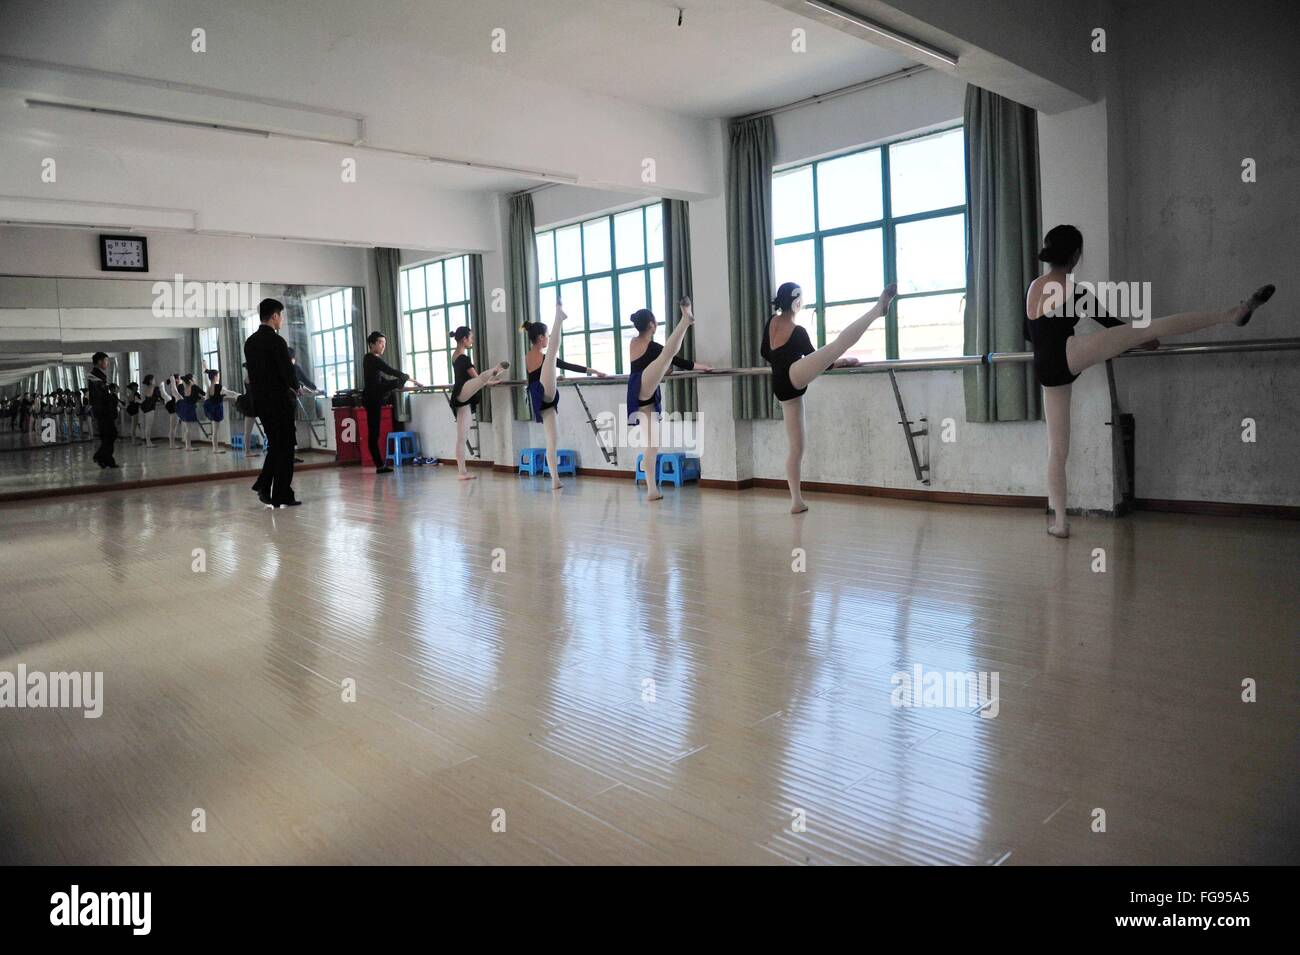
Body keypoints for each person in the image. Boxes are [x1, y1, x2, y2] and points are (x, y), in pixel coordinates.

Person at [1026, 224, 1275, 538]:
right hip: (1069, 354)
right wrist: (1143, 339)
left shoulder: (1033, 287)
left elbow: (1029, 333)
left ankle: (1060, 523)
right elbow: (1112, 325)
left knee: (1056, 449)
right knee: (1148, 327)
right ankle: (1231, 314)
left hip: (1044, 369)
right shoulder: (1075, 291)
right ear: (1075, 255)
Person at [762, 280, 897, 513]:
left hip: (781, 386)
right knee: (839, 345)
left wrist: (781, 358)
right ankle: (877, 310)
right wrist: (840, 362)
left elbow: (765, 351)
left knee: (796, 448)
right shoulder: (798, 331)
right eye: (801, 298)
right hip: (793, 376)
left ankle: (797, 501)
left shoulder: (771, 322)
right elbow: (819, 359)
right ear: (796, 300)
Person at [626, 298, 713, 500]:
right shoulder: (650, 345)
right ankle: (685, 320)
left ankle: (651, 490)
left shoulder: (634, 342)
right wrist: (703, 367)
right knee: (666, 355)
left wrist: (665, 369)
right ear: (651, 325)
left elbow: (660, 363)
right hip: (641, 385)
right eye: (655, 321)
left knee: (652, 445)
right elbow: (676, 359)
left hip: (645, 398)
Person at [522, 302, 607, 490]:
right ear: (541, 338)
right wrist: (595, 372)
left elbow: (560, 368)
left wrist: (592, 371)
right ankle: (558, 317)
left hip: (543, 398)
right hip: (541, 392)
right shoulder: (541, 356)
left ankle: (555, 480)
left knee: (553, 440)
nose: (548, 340)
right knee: (552, 353)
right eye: (547, 337)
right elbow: (545, 372)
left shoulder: (530, 356)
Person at [244, 298, 301, 507]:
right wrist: (296, 386)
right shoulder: (277, 341)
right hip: (279, 402)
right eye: (281, 316)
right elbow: (287, 371)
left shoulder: (250, 342)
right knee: (285, 447)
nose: (282, 320)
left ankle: (264, 485)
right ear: (275, 316)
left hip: (261, 403)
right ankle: (281, 493)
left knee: (277, 446)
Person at [448, 326, 509, 480]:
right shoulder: (463, 358)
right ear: (464, 339)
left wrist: (489, 382)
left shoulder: (455, 355)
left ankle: (462, 473)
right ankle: (497, 368)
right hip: (463, 391)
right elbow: (478, 378)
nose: (472, 340)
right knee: (481, 378)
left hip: (463, 398)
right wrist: (491, 381)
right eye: (471, 337)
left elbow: (479, 381)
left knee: (462, 437)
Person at [361, 331, 424, 474]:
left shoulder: (372, 361)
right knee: (374, 433)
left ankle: (379, 465)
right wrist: (402, 377)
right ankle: (379, 465)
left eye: (384, 343)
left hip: (375, 396)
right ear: (371, 344)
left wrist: (403, 378)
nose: (383, 346)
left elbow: (383, 379)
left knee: (374, 433)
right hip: (372, 398)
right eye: (380, 343)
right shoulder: (370, 358)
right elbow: (389, 370)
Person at [88, 352, 119, 469]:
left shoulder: (98, 376)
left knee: (109, 435)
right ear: (100, 362)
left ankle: (105, 459)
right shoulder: (94, 376)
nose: (107, 363)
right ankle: (100, 456)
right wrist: (113, 397)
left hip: (102, 410)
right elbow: (101, 395)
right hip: (103, 411)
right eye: (106, 361)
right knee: (110, 434)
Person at [138, 375, 161, 448]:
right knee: (149, 425)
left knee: (148, 425)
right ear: (151, 381)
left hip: (146, 408)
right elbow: (154, 398)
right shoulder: (153, 388)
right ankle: (148, 442)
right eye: (154, 379)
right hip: (149, 409)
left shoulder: (148, 388)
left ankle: (148, 441)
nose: (155, 381)